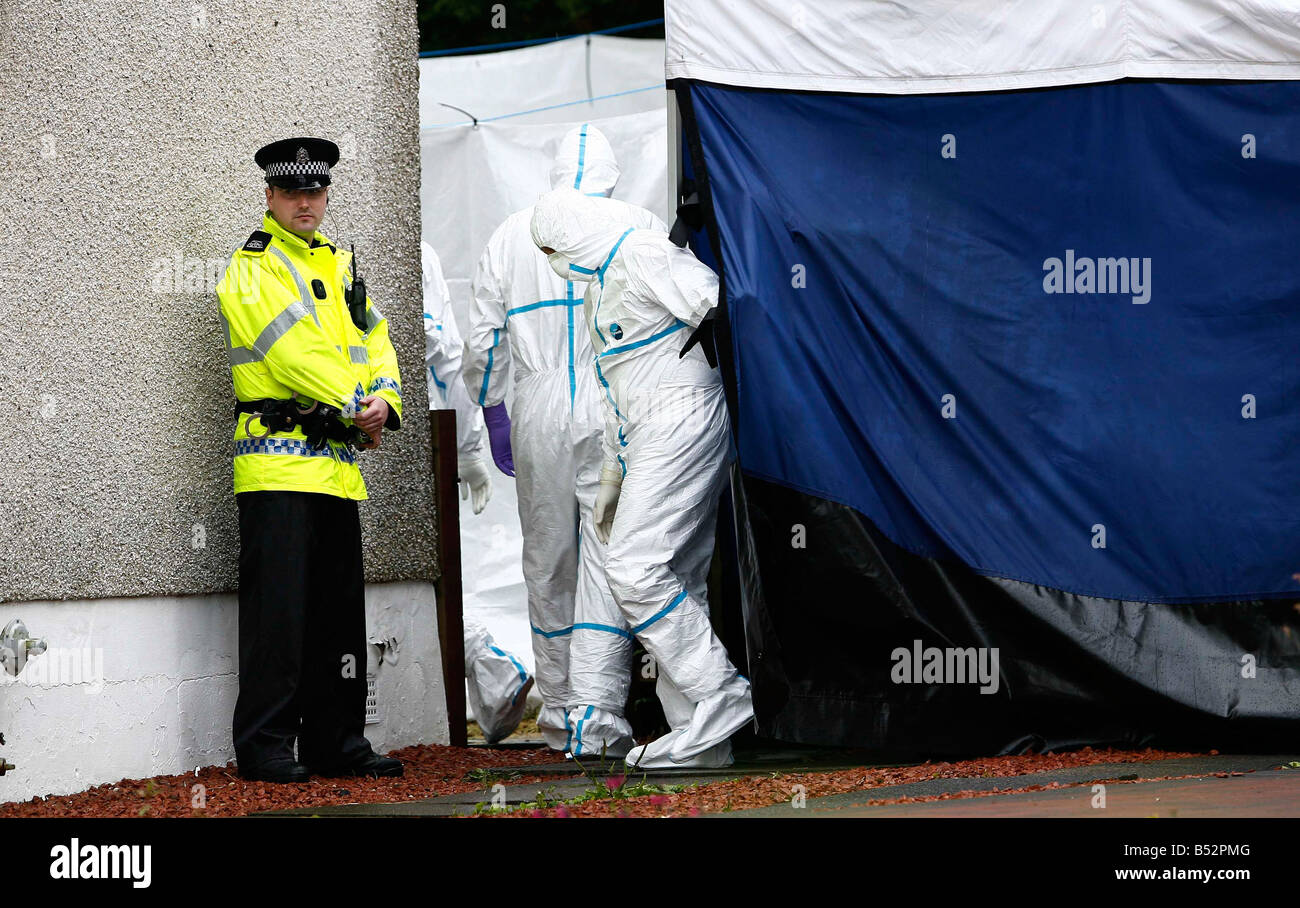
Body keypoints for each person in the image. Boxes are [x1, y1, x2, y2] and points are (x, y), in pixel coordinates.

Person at [530, 188, 754, 768]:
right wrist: (611, 471)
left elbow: (718, 309)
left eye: (555, 248)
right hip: (645, 430)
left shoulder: (644, 253)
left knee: (633, 566)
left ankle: (720, 693)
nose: (556, 262)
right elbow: (614, 391)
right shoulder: (600, 286)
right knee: (677, 573)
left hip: (681, 415)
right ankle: (703, 738)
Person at [462, 125, 666, 755]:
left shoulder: (511, 233)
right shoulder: (639, 222)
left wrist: (494, 406)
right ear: (611, 174)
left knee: (549, 561)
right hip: (616, 404)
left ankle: (557, 717)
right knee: (609, 560)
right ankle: (600, 717)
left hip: (539, 409)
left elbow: (485, 340)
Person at [216, 136, 404, 783]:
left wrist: (384, 399)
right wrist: (359, 402)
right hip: (277, 465)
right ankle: (266, 746)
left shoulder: (341, 263)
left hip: (335, 466)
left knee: (337, 618)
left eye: (315, 190)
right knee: (280, 618)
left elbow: (376, 337)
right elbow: (294, 352)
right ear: (269, 195)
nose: (306, 201)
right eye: (293, 191)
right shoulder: (253, 266)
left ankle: (338, 741)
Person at [423, 239, 492, 514]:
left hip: (401, 427)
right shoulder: (416, 252)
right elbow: (447, 357)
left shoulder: (419, 254)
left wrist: (467, 449)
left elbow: (449, 358)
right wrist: (467, 448)